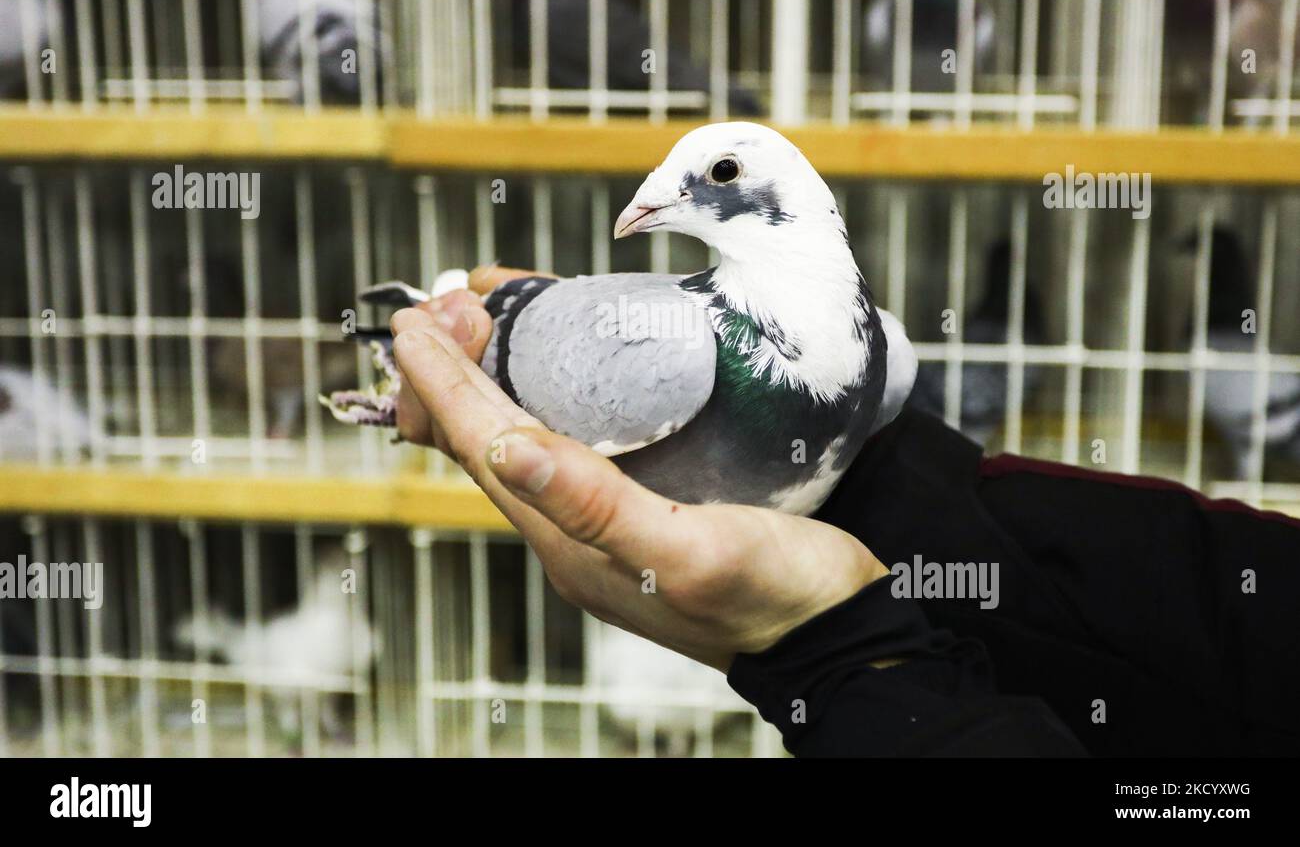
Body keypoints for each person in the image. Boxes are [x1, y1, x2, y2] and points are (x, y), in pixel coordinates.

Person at [387, 268, 1300, 757]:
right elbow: (1226, 611)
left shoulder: (878, 354)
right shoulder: (676, 354)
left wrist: (845, 651)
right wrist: (867, 511)